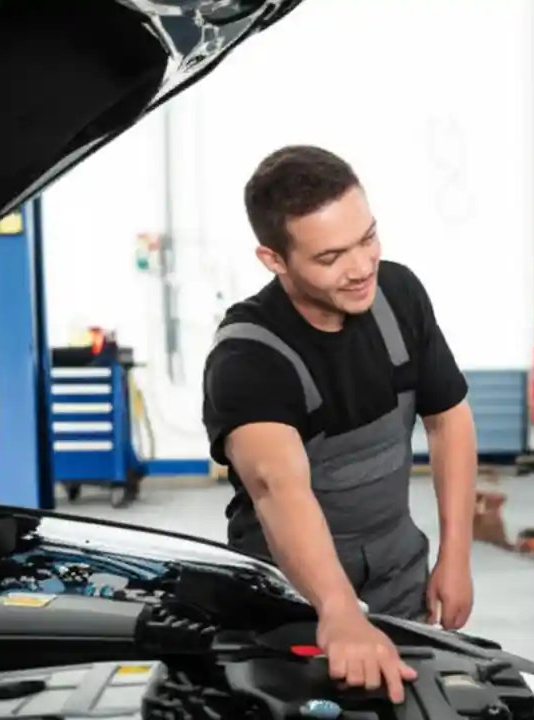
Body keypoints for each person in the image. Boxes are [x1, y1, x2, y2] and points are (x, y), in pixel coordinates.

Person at [202, 144, 479, 704]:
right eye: (330, 257)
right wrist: (337, 610)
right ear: (274, 259)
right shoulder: (249, 357)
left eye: (368, 238)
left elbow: (449, 421)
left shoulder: (398, 296)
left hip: (400, 575)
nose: (360, 269)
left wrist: (455, 555)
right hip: (291, 600)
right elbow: (278, 489)